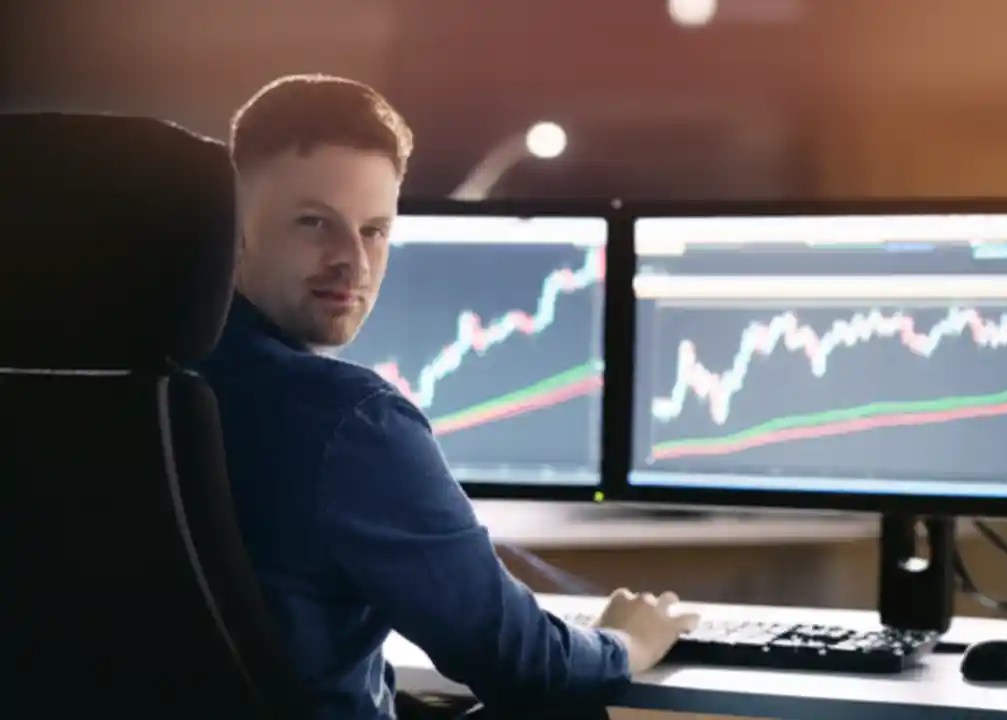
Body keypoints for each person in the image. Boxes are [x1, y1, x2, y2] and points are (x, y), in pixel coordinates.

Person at [198, 74, 699, 720]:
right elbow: (521, 663)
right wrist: (626, 643)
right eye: (314, 223)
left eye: (375, 230)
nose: (352, 260)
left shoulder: (145, 383)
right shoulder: (348, 421)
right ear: (236, 226)